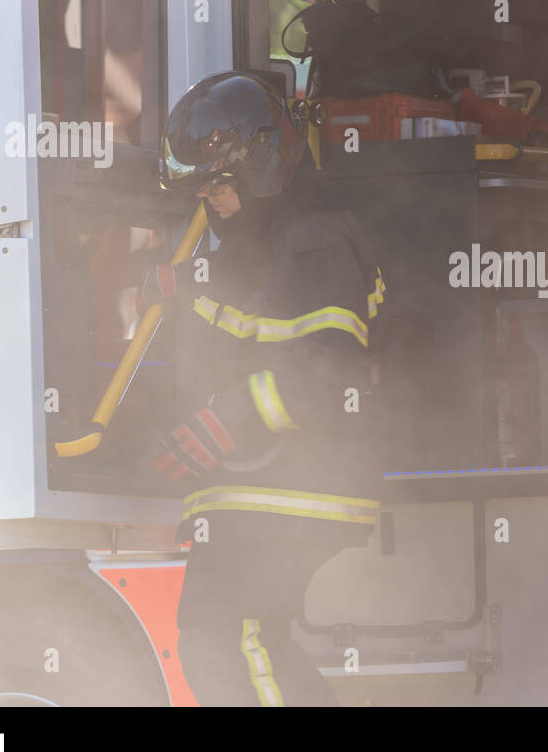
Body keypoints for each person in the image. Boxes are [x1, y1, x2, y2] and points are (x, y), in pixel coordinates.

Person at [143, 71, 385, 706]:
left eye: (218, 183)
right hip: (265, 486)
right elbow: (244, 321)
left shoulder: (313, 242)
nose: (210, 201)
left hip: (296, 487)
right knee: (235, 639)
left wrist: (227, 421)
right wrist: (184, 293)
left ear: (262, 167)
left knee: (225, 636)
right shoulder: (267, 242)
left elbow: (329, 373)